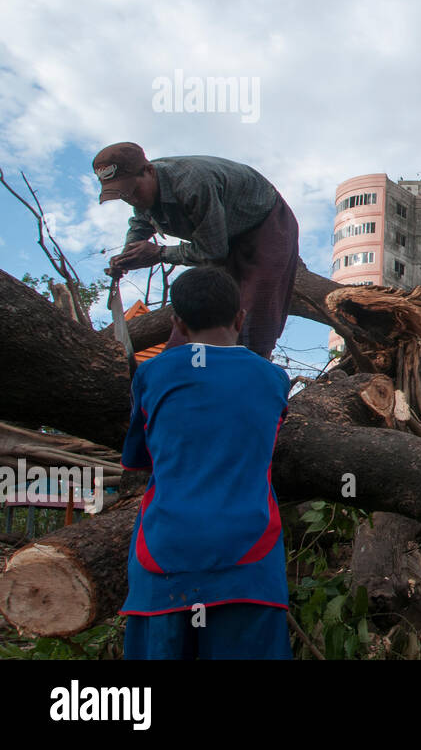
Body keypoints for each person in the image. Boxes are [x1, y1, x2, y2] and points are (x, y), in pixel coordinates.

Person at [119, 265, 293, 659]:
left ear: (178, 322)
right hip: (250, 560)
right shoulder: (273, 379)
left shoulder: (150, 375)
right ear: (240, 318)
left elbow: (137, 460)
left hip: (163, 558)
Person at [95, 142, 299, 359]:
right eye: (123, 195)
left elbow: (212, 252)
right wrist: (128, 254)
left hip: (264, 224)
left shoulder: (193, 184)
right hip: (219, 235)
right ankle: (182, 366)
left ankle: (249, 370)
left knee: (254, 309)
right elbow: (140, 223)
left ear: (149, 171)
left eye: (134, 191)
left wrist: (159, 254)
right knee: (202, 301)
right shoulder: (141, 193)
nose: (132, 199)